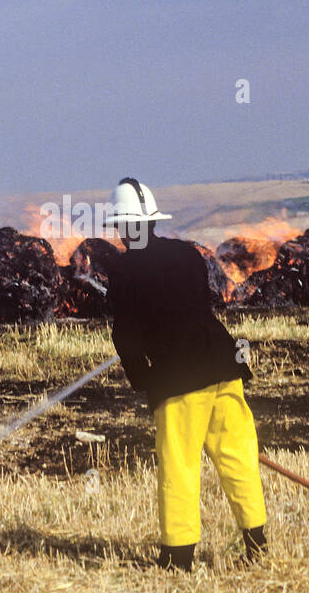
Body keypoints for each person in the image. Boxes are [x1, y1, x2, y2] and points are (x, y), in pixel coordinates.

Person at [104, 177, 267, 572]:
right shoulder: (188, 256)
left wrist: (139, 374)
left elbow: (125, 332)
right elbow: (198, 307)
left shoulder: (124, 270)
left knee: (180, 465)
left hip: (179, 381)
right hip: (223, 365)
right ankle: (257, 541)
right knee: (238, 456)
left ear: (126, 226)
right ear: (154, 221)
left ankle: (178, 558)